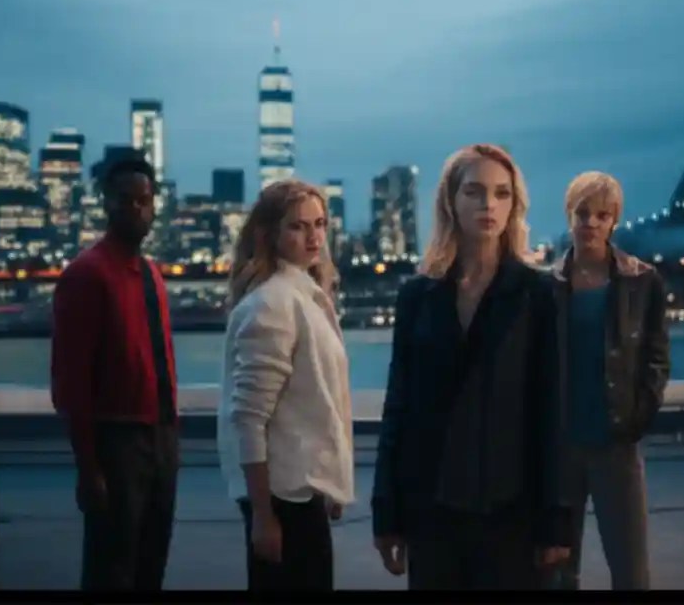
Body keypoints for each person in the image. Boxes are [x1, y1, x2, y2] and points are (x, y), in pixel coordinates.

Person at [371, 143, 572, 590]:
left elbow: (552, 410)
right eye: (475, 192)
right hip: (432, 513)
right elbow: (398, 407)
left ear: (514, 206)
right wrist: (386, 512)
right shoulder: (417, 296)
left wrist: (557, 520)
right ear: (450, 200)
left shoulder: (537, 295)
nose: (489, 205)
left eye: (502, 194)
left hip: (511, 514)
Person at [217, 179, 354, 591]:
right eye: (297, 226)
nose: (313, 236)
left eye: (320, 224)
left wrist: (329, 482)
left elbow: (316, 402)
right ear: (270, 234)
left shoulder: (304, 296)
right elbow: (248, 419)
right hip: (281, 499)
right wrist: (263, 514)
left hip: (300, 492)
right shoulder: (273, 303)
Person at [51, 158, 180, 590]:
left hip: (160, 437)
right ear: (106, 203)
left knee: (150, 564)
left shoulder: (152, 275)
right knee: (112, 568)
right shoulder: (85, 276)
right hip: (117, 440)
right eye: (126, 200)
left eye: (145, 200)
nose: (137, 209)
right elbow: (72, 382)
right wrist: (89, 467)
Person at [543, 172, 670, 591]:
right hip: (559, 449)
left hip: (617, 443)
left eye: (602, 215)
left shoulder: (643, 281)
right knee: (557, 574)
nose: (591, 223)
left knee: (631, 572)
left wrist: (637, 418)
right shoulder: (546, 286)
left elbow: (656, 359)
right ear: (569, 216)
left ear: (615, 220)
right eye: (582, 213)